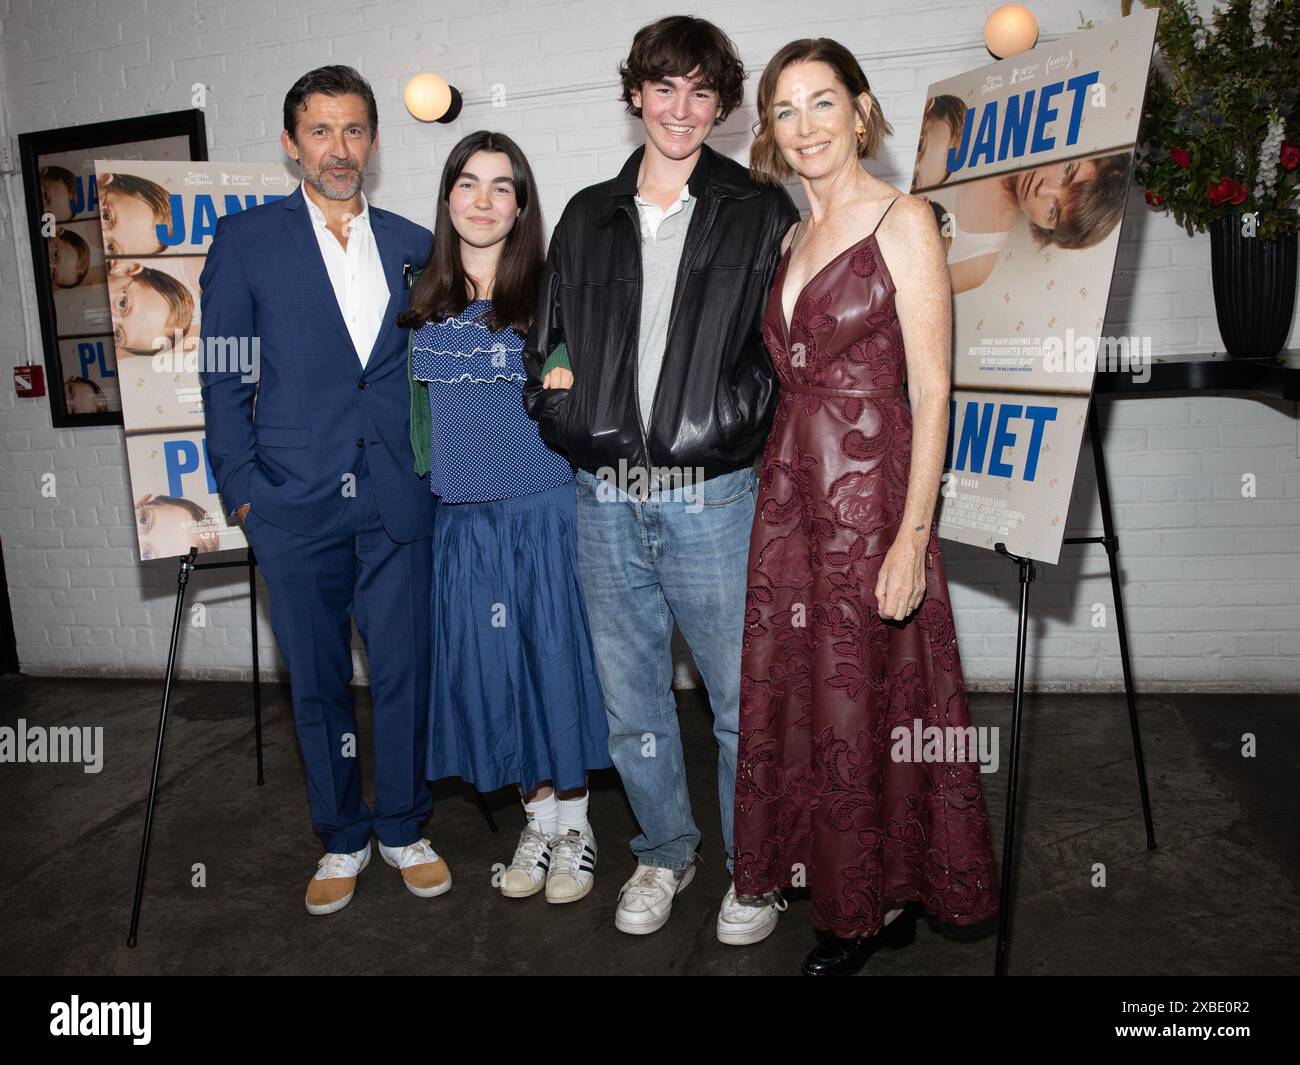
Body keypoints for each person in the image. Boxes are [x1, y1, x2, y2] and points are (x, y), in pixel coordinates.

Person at [523, 15, 799, 942]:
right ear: (636, 93)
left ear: (720, 107)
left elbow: (783, 350)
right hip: (603, 494)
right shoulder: (585, 214)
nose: (681, 108)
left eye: (702, 92)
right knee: (632, 700)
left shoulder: (761, 208)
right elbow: (549, 338)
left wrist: (726, 424)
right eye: (664, 87)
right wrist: (564, 408)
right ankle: (665, 853)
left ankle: (753, 873)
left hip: (712, 495)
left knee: (737, 698)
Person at [734, 38, 999, 975]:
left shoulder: (904, 221)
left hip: (871, 501)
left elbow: (934, 390)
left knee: (874, 701)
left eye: (821, 103)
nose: (804, 125)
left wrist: (912, 534)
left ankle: (866, 910)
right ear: (769, 129)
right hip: (791, 501)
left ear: (861, 109)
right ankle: (856, 889)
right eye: (784, 109)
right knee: (816, 700)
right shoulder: (790, 235)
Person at [199, 64, 449, 916]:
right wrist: (243, 495)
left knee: (407, 669)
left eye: (353, 131)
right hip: (292, 505)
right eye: (320, 131)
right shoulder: (247, 242)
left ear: (373, 143)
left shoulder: (418, 243)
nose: (338, 149)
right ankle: (342, 836)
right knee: (314, 681)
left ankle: (406, 825)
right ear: (290, 143)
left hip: (395, 500)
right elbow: (224, 376)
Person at [401, 131, 611, 904]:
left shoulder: (554, 293)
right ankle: (538, 818)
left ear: (521, 204)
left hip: (543, 510)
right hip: (462, 520)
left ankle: (577, 826)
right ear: (448, 195)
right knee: (497, 678)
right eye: (468, 183)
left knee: (555, 664)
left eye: (501, 186)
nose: (483, 200)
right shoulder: (421, 298)